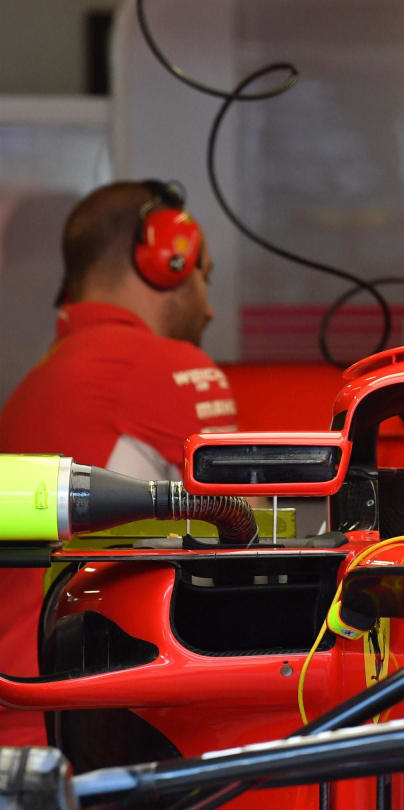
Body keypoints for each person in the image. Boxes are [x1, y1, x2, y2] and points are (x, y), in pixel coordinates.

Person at [0, 180, 237, 745]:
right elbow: (256, 544)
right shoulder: (167, 368)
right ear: (167, 261)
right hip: (76, 730)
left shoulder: (35, 382)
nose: (209, 308)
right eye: (203, 274)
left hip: (30, 711)